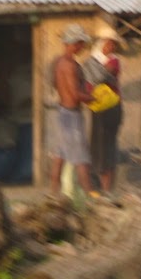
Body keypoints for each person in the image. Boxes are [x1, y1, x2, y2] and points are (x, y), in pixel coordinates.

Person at [49, 23, 95, 195]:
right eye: (82, 43)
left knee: (59, 156)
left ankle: (53, 194)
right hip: (71, 116)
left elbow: (59, 86)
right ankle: (90, 195)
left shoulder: (59, 62)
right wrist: (94, 98)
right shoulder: (69, 65)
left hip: (63, 113)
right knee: (81, 158)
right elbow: (75, 94)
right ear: (75, 43)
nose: (83, 47)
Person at [84, 24, 124, 192]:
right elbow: (96, 77)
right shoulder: (92, 61)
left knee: (107, 147)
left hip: (110, 108)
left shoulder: (113, 61)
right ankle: (99, 187)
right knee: (98, 146)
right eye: (108, 43)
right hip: (97, 109)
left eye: (113, 44)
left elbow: (99, 77)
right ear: (101, 44)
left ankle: (107, 189)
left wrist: (96, 74)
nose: (111, 47)